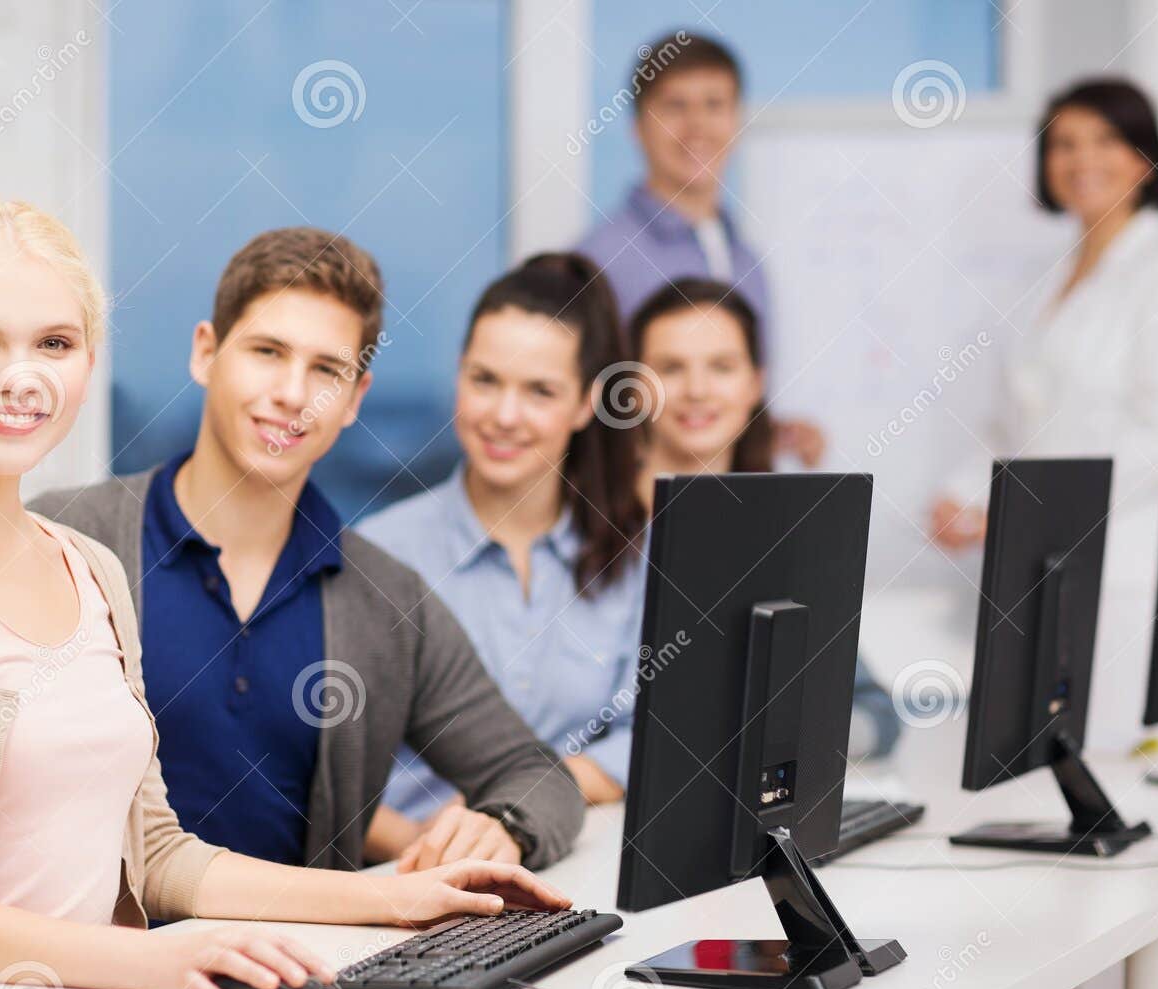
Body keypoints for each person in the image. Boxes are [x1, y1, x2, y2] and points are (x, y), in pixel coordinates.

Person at [0, 200, 570, 989]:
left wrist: (396, 897)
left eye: (54, 343)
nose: (21, 376)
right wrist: (168, 961)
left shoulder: (85, 566)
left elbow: (155, 852)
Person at [31, 227, 584, 873]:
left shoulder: (387, 600)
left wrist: (504, 827)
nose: (294, 393)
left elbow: (536, 776)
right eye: (268, 351)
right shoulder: (67, 536)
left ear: (354, 399)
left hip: (301, 965)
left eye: (327, 369)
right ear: (206, 353)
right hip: (93, 966)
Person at [924, 78, 1158, 747]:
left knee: (1114, 765)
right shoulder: (1045, 282)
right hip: (1042, 567)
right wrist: (960, 493)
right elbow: (1017, 427)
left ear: (1144, 157)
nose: (1082, 158)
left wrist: (1030, 511)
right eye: (1063, 143)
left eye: (1105, 139)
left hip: (1125, 571)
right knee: (1039, 763)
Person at [359, 253, 649, 857]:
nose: (504, 415)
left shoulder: (632, 553)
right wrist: (437, 845)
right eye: (485, 380)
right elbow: (319, 779)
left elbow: (653, 736)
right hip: (415, 879)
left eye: (540, 390)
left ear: (584, 404)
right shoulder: (380, 555)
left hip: (581, 861)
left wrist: (520, 814)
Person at [630, 277, 901, 760]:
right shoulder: (589, 529)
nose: (696, 390)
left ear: (755, 383)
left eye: (722, 367)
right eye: (670, 368)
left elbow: (875, 712)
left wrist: (774, 748)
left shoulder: (778, 536)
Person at [576, 29, 823, 468]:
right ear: (637, 126)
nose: (698, 127)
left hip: (733, 509)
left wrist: (770, 429)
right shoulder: (598, 263)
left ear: (737, 120)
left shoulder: (748, 261)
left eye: (714, 105)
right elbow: (588, 423)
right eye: (675, 106)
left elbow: (730, 405)